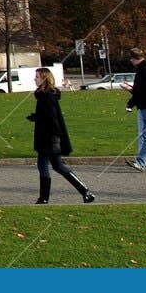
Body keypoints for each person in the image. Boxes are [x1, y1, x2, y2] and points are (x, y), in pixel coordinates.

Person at [27, 68, 95, 204]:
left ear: (44, 79)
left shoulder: (46, 96)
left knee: (43, 166)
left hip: (48, 137)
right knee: (58, 166)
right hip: (50, 136)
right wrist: (37, 117)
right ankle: (85, 191)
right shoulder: (45, 95)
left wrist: (39, 119)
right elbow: (49, 115)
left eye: (37, 77)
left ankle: (44, 198)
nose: (35, 79)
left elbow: (51, 117)